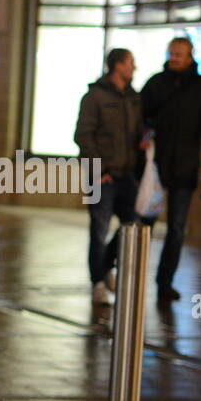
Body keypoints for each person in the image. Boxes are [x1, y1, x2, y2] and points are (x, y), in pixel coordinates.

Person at [139, 37, 201, 302]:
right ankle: (128, 271)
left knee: (176, 228)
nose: (174, 57)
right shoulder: (155, 84)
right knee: (143, 223)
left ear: (190, 56)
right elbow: (139, 120)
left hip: (185, 170)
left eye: (179, 54)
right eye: (171, 53)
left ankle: (165, 282)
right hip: (155, 168)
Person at [74, 48, 143, 305]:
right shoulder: (94, 97)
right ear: (118, 66)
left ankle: (105, 267)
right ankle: (98, 283)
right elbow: (83, 135)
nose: (134, 67)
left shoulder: (133, 98)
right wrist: (99, 170)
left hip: (126, 175)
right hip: (101, 176)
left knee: (132, 224)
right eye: (130, 63)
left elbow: (136, 132)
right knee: (99, 231)